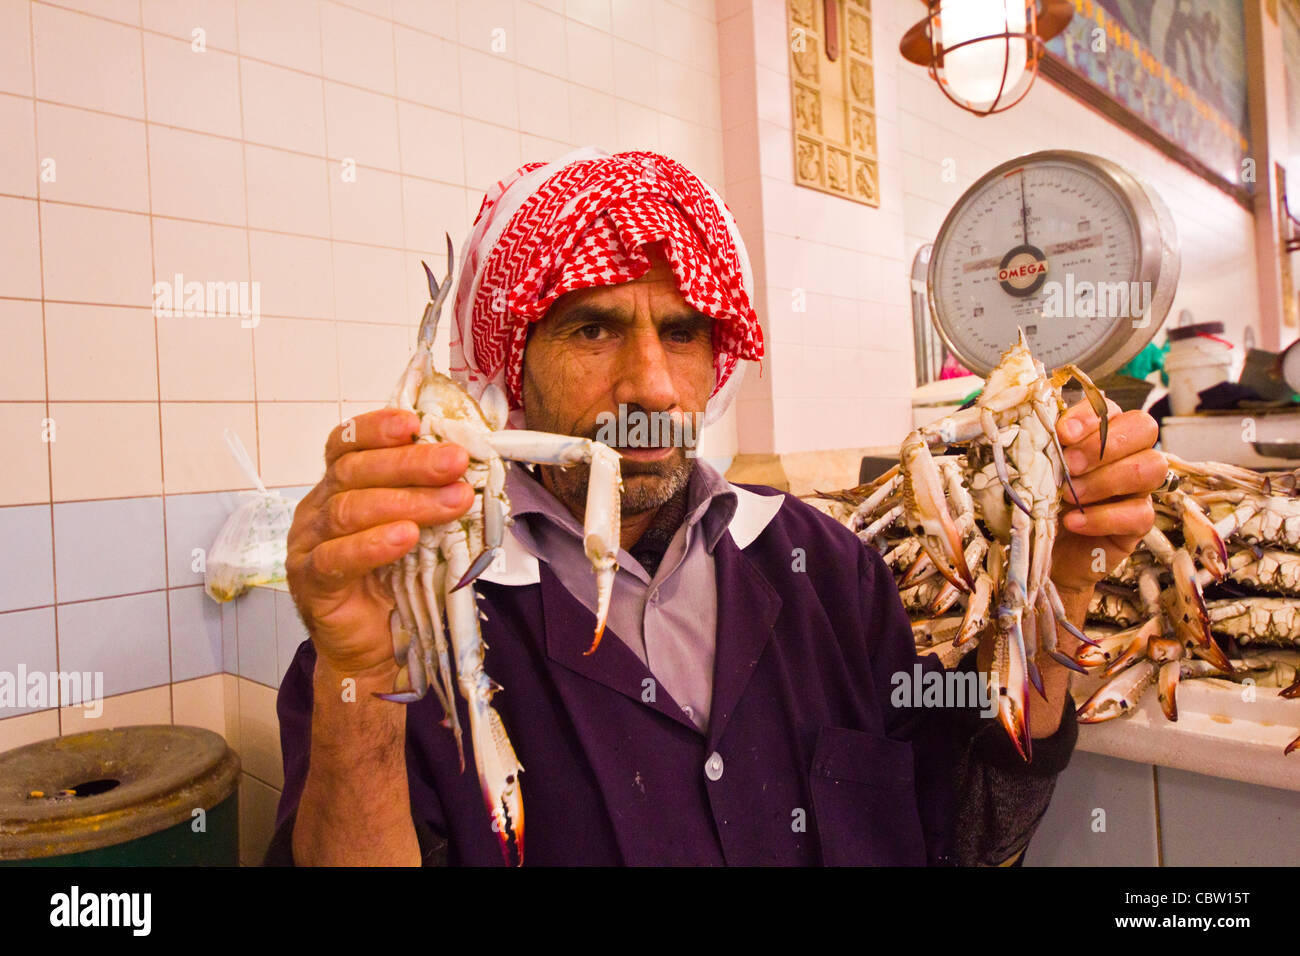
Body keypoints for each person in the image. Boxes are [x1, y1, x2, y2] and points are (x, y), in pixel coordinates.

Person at [266, 148, 1166, 866]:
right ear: (513, 363)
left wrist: (1060, 581)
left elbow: (967, 832)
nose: (651, 387)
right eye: (593, 329)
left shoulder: (827, 570)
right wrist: (359, 690)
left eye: (684, 332)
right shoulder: (407, 622)